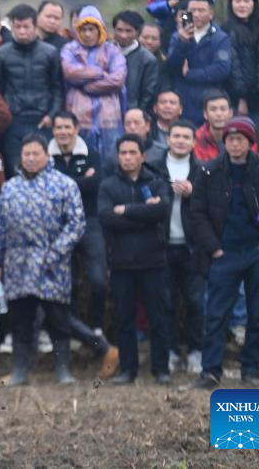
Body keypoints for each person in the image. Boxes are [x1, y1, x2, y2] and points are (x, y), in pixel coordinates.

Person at [190, 117, 259, 388]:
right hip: (224, 253)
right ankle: (210, 371)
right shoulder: (208, 170)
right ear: (225, 142)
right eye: (230, 139)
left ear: (250, 142)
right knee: (216, 314)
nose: (235, 144)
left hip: (258, 252)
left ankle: (251, 369)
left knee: (258, 314)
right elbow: (197, 213)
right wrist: (214, 247)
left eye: (241, 139)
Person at [0, 134, 85, 386]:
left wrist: (55, 252)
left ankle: (62, 369)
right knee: (21, 319)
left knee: (58, 319)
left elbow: (76, 225)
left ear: (46, 156)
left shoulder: (64, 184)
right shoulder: (10, 187)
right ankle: (20, 369)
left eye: (35, 154)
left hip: (52, 263)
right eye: (26, 154)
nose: (31, 159)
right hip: (17, 264)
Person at [98, 135, 172, 385]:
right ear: (118, 156)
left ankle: (161, 369)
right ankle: (128, 370)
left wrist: (127, 210)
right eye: (123, 153)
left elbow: (161, 211)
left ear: (143, 156)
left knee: (158, 318)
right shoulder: (108, 185)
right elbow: (107, 217)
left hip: (153, 260)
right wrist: (144, 213)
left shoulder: (158, 181)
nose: (128, 157)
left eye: (132, 152)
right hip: (121, 262)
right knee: (124, 318)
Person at [48, 111, 110, 350]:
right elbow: (49, 189)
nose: (63, 131)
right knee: (66, 283)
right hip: (58, 225)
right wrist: (79, 180)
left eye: (67, 127)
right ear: (53, 130)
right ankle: (72, 334)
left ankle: (96, 327)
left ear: (76, 129)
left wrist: (63, 182)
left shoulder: (91, 154)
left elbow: (95, 186)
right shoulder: (46, 156)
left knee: (97, 280)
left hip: (89, 222)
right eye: (58, 127)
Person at [147, 119, 204, 374]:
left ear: (193, 142)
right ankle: (168, 351)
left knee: (195, 303)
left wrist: (195, 193)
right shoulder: (152, 168)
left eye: (186, 137)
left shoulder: (203, 171)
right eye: (176, 136)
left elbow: (213, 207)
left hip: (193, 248)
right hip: (162, 246)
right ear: (168, 139)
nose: (180, 140)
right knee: (165, 303)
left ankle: (196, 351)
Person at [0, 4, 63, 174]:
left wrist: (52, 115)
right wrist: (5, 116)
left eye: (26, 27)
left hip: (42, 120)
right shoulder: (2, 54)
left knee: (45, 170)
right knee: (16, 170)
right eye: (17, 27)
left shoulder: (50, 53)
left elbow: (58, 88)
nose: (22, 31)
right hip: (14, 121)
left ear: (35, 26)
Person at [60, 6, 127, 156]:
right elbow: (69, 72)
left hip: (109, 117)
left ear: (100, 29)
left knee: (110, 161)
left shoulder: (113, 50)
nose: (87, 34)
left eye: (91, 29)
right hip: (79, 115)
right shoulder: (70, 49)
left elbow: (117, 79)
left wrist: (88, 86)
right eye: (83, 30)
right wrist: (100, 72)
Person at [166, 0, 231, 126]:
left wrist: (191, 74)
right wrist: (182, 42)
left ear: (210, 14)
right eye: (192, 11)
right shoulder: (177, 36)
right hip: (183, 99)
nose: (196, 14)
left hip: (209, 98)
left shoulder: (220, 37)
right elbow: (172, 67)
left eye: (201, 10)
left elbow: (222, 69)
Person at [223, 0, 259, 116]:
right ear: (231, 4)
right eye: (238, 1)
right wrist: (242, 98)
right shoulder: (228, 30)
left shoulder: (257, 29)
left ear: (254, 4)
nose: (242, 5)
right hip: (238, 100)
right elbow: (235, 68)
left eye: (246, 1)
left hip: (256, 97)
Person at [112, 10, 160, 113]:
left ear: (138, 32)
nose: (123, 35)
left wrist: (138, 112)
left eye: (128, 31)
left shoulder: (147, 59)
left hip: (132, 113)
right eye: (119, 30)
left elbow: (148, 93)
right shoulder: (106, 53)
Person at [194, 90, 233, 162]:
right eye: (213, 109)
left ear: (230, 113)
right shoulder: (197, 138)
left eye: (223, 109)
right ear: (205, 114)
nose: (218, 114)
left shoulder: (243, 136)